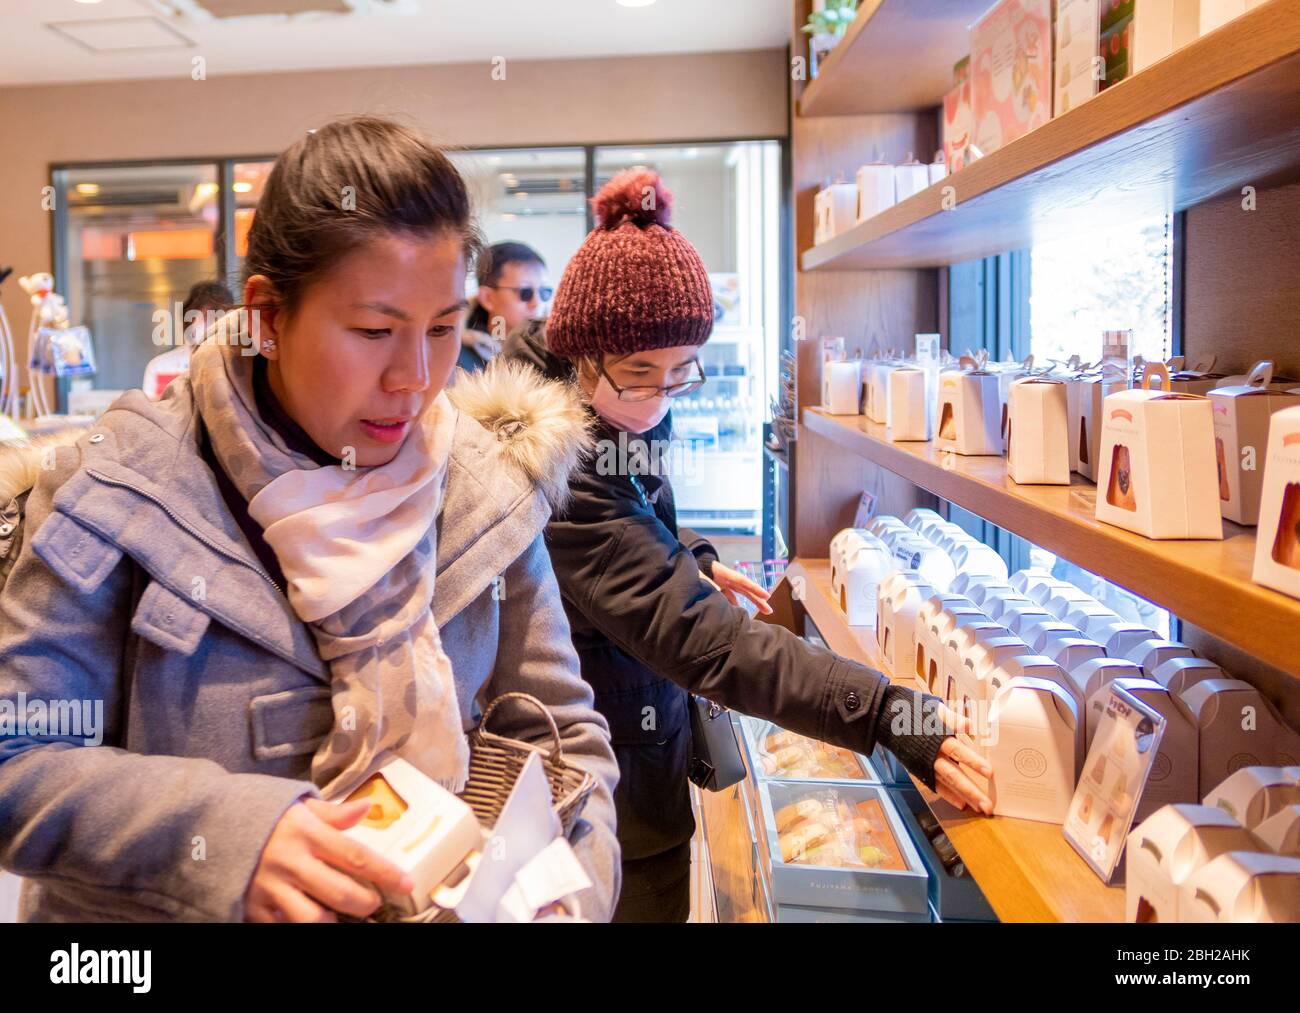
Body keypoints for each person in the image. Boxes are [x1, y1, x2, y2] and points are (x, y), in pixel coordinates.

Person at [0, 117, 620, 923]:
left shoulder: (480, 482)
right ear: (266, 315)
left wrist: (568, 888)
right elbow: (19, 758)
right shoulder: (115, 487)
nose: (417, 377)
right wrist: (233, 834)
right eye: (374, 331)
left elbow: (563, 732)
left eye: (441, 328)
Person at [505, 168, 993, 922]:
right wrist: (895, 715)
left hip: (636, 747)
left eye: (680, 373)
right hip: (604, 792)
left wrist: (688, 555)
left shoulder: (612, 413)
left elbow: (639, 517)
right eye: (640, 373)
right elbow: (712, 644)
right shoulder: (559, 472)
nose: (660, 395)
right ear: (581, 355)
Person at [459, 241, 550, 373]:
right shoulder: (456, 361)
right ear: (487, 298)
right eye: (525, 292)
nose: (537, 302)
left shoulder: (555, 352)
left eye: (544, 292)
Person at [142, 279, 234, 400]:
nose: (212, 326)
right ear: (189, 320)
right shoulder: (160, 367)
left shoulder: (237, 367)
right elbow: (150, 413)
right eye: (206, 317)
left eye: (218, 318)